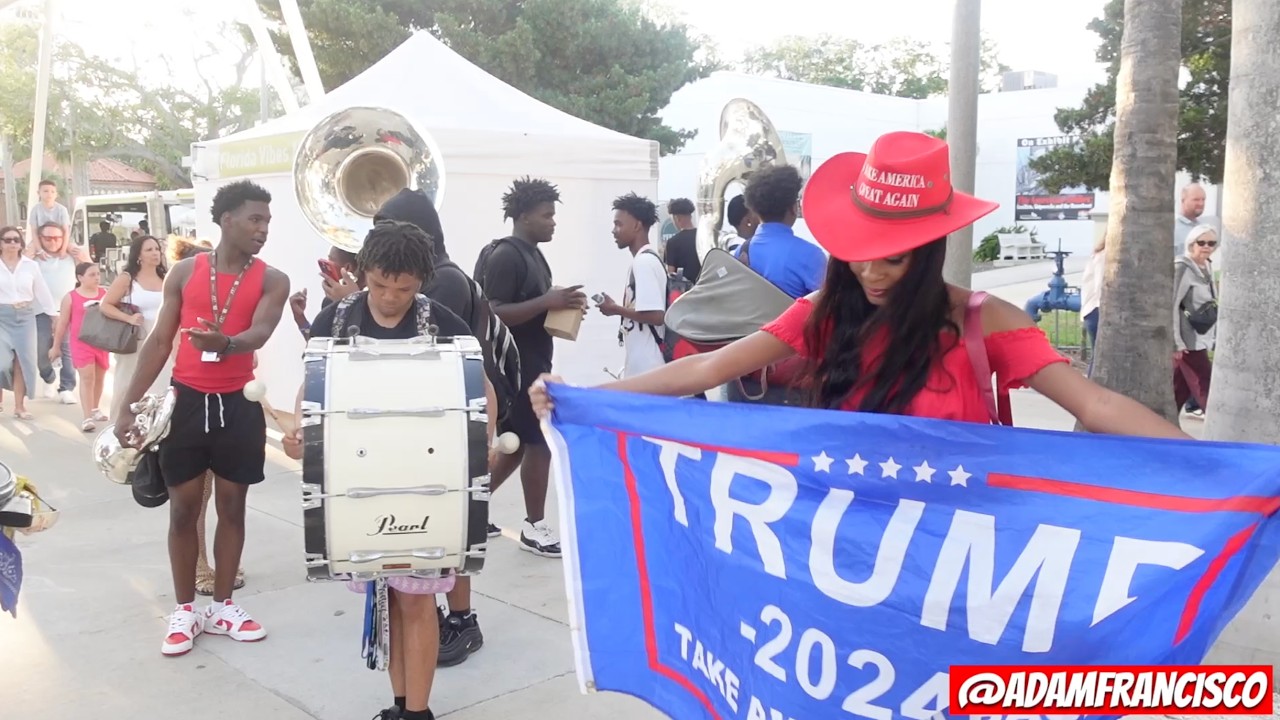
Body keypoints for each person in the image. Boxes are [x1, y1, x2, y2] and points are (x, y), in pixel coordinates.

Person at [529, 131, 1190, 443]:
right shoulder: (823, 309)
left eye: (892, 261)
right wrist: (581, 396)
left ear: (928, 255)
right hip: (844, 548)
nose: (870, 275)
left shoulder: (985, 320)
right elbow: (707, 366)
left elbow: (1096, 404)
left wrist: (1221, 468)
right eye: (856, 258)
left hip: (959, 552)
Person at [282, 220, 477, 720]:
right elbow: (313, 387)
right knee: (387, 600)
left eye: (404, 289)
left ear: (421, 282)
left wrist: (480, 449)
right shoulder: (334, 320)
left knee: (416, 602)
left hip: (424, 485)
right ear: (363, 271)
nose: (391, 298)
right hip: (363, 483)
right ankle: (400, 705)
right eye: (380, 285)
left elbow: (480, 391)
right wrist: (303, 432)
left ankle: (418, 712)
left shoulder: (444, 324)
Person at [113, 179, 290, 657]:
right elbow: (159, 342)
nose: (263, 229)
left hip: (239, 404)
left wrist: (227, 344)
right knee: (183, 510)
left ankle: (224, 606)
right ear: (227, 220)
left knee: (232, 508)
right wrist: (127, 404)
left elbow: (261, 331)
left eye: (267, 221)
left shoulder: (272, 279)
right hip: (187, 402)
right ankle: (185, 610)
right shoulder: (185, 272)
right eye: (255, 219)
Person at [375, 188, 517, 668]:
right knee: (438, 528)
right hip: (432, 420)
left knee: (451, 530)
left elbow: (421, 354)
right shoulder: (437, 276)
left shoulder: (445, 281)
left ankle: (462, 622)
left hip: (449, 420)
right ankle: (438, 613)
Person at [475, 177, 587, 558]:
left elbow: (534, 306)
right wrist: (546, 302)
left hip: (534, 362)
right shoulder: (506, 256)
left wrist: (562, 308)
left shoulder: (534, 255)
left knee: (518, 445)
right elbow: (493, 311)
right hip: (515, 368)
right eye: (546, 215)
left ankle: (472, 510)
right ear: (523, 216)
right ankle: (534, 526)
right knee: (539, 442)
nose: (553, 222)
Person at [597, 193, 667, 378]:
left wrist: (615, 309)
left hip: (649, 367)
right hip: (647, 365)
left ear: (637, 225)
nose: (614, 231)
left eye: (618, 224)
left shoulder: (643, 263)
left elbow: (656, 316)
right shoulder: (647, 260)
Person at [733, 165, 826, 299]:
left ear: (755, 210)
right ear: (794, 208)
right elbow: (828, 303)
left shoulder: (740, 252)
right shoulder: (811, 255)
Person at [101, 235, 169, 413]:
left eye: (157, 249)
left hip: (162, 338)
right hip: (136, 338)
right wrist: (128, 318)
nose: (155, 253)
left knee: (161, 382)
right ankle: (119, 421)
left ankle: (155, 423)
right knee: (127, 382)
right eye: (149, 250)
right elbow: (105, 305)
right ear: (138, 255)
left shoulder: (166, 278)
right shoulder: (128, 279)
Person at [0, 226, 55, 420]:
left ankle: (19, 406)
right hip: (2, 316)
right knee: (2, 362)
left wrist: (53, 315)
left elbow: (42, 291)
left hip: (25, 316)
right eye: (8, 240)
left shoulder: (30, 266)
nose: (12, 243)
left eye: (16, 239)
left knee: (23, 362)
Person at [49, 262, 110, 432]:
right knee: (87, 377)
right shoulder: (71, 297)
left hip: (101, 341)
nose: (96, 278)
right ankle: (87, 417)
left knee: (100, 377)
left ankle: (95, 408)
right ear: (80, 277)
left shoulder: (105, 294)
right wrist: (56, 346)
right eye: (92, 275)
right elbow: (62, 323)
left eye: (98, 274)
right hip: (80, 343)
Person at [32, 222, 86, 403]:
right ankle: (48, 377)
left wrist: (81, 254)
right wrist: (32, 248)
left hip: (67, 310)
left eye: (57, 237)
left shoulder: (70, 256)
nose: (53, 241)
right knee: (41, 350)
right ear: (40, 239)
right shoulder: (35, 258)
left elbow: (90, 270)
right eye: (48, 238)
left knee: (67, 349)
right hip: (41, 311)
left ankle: (67, 388)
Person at [1173, 224, 1218, 418]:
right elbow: (1172, 304)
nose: (1206, 246)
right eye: (1202, 242)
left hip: (1202, 335)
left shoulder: (1207, 265)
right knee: (1204, 384)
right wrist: (1176, 342)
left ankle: (1161, 424)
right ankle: (1218, 425)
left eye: (1211, 243)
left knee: (1178, 389)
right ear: (1192, 243)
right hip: (1188, 340)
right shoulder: (1182, 267)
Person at [1080, 233, 1105, 376]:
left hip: (1093, 310)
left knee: (1098, 356)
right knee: (1099, 357)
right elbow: (1101, 286)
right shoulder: (1103, 256)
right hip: (1097, 309)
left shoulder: (1098, 255)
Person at [663, 197, 700, 284]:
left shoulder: (672, 242)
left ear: (677, 218)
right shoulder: (703, 237)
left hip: (685, 290)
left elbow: (671, 275)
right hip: (705, 288)